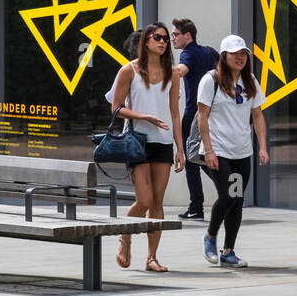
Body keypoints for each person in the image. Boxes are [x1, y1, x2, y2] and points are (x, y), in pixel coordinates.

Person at [108, 22, 184, 272]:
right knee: (144, 199)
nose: (163, 42)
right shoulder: (128, 71)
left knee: (158, 201)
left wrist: (180, 148)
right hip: (137, 140)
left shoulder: (172, 73)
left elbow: (174, 113)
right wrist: (142, 116)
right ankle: (126, 236)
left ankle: (152, 257)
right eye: (158, 37)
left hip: (162, 142)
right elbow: (116, 108)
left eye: (165, 38)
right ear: (146, 41)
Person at [196, 34, 269, 267]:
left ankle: (228, 251)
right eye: (235, 53)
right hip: (218, 150)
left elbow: (257, 115)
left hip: (241, 152)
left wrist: (263, 147)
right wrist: (208, 150)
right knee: (227, 195)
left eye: (243, 53)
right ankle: (210, 236)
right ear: (224, 56)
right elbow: (202, 116)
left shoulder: (250, 81)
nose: (240, 58)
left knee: (237, 199)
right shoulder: (211, 81)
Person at [171, 18, 219, 220]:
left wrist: (157, 71)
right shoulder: (209, 51)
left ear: (187, 36)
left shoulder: (187, 54)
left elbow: (181, 70)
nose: (172, 39)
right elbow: (223, 70)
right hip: (213, 113)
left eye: (175, 34)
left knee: (192, 159)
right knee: (204, 154)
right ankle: (228, 188)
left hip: (193, 115)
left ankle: (196, 208)